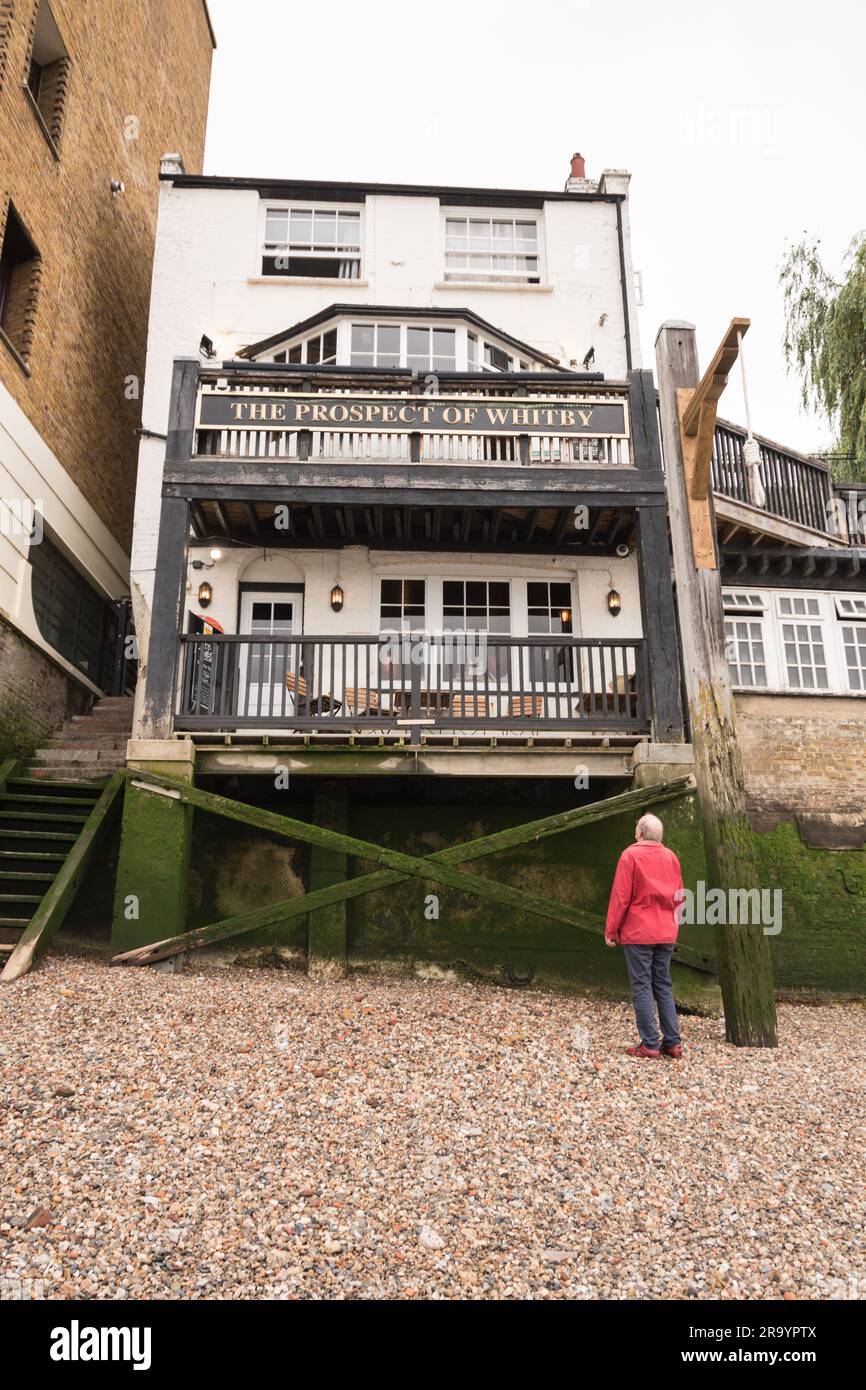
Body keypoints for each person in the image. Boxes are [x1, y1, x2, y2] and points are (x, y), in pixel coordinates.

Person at [605, 813, 684, 1059]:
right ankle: (673, 1043)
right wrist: (674, 927)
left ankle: (650, 1044)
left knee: (641, 985)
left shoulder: (630, 856)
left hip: (639, 932)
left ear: (639, 833)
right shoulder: (671, 857)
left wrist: (611, 930)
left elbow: (621, 897)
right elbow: (680, 896)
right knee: (663, 983)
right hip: (666, 932)